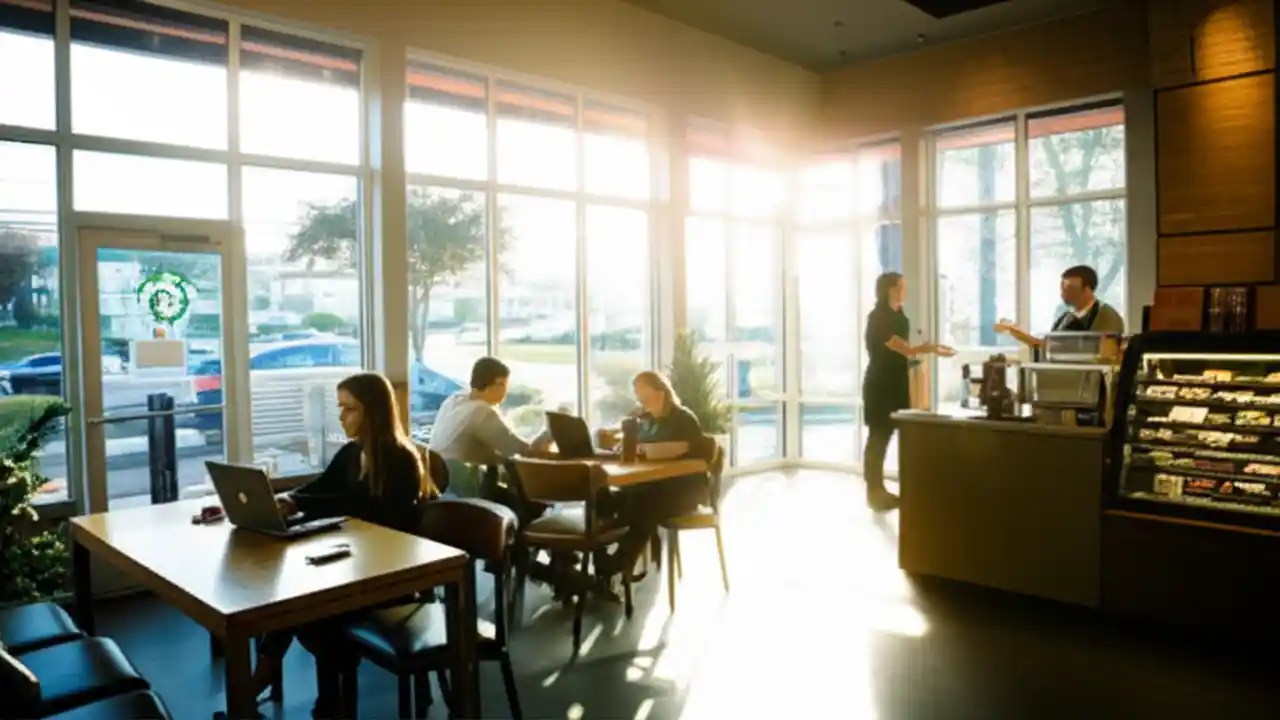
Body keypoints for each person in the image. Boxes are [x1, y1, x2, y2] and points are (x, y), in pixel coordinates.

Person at [253, 372, 438, 716]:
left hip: (390, 580)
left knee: (307, 608)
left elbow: (371, 515)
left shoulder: (399, 460)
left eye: (349, 409)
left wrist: (302, 504)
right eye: (340, 407)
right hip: (356, 568)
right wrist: (290, 498)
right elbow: (322, 487)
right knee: (297, 599)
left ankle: (280, 683)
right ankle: (309, 695)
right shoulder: (353, 453)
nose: (341, 416)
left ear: (373, 411)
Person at [596, 371, 707, 579]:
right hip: (649, 486)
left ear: (659, 392)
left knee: (643, 505)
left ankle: (618, 563)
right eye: (636, 392)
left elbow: (684, 452)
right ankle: (601, 557)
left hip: (683, 492)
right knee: (602, 497)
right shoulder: (644, 420)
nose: (638, 397)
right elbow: (632, 445)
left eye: (641, 391)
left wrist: (643, 450)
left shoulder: (683, 419)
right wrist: (623, 445)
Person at [863, 272, 954, 512]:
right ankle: (874, 492)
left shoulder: (900, 315)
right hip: (880, 385)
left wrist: (918, 365)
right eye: (901, 287)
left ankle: (904, 488)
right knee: (879, 438)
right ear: (890, 289)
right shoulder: (878, 317)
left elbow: (907, 352)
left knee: (902, 434)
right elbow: (897, 346)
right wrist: (928, 349)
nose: (905, 290)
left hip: (898, 383)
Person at [430, 357, 552, 467]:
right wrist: (550, 432)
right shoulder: (482, 413)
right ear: (485, 384)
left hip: (443, 476)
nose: (505, 390)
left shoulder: (455, 399)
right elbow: (523, 451)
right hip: (465, 483)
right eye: (501, 384)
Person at [994, 265, 1125, 348]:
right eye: (1062, 289)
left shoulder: (1106, 316)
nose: (1063, 294)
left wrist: (1019, 334)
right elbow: (1048, 346)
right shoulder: (1065, 317)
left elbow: (1100, 354)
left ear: (1088, 290)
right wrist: (1016, 332)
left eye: (1069, 289)